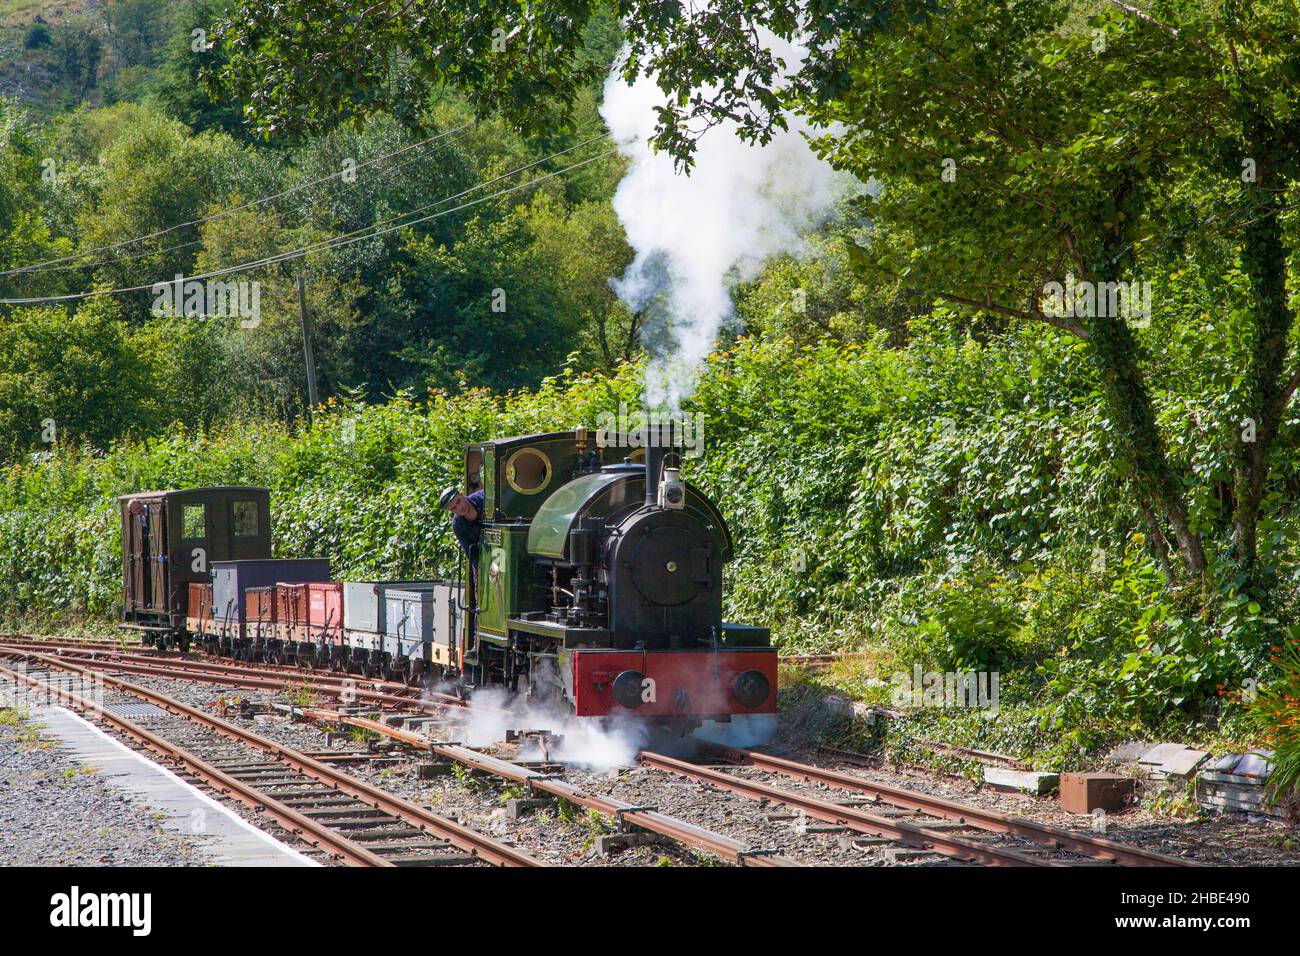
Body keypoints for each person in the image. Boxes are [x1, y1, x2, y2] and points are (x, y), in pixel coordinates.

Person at [439, 486, 485, 556]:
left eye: (458, 501)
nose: (460, 508)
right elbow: (472, 554)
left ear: (462, 494)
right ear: (450, 511)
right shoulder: (458, 525)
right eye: (454, 508)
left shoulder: (484, 497)